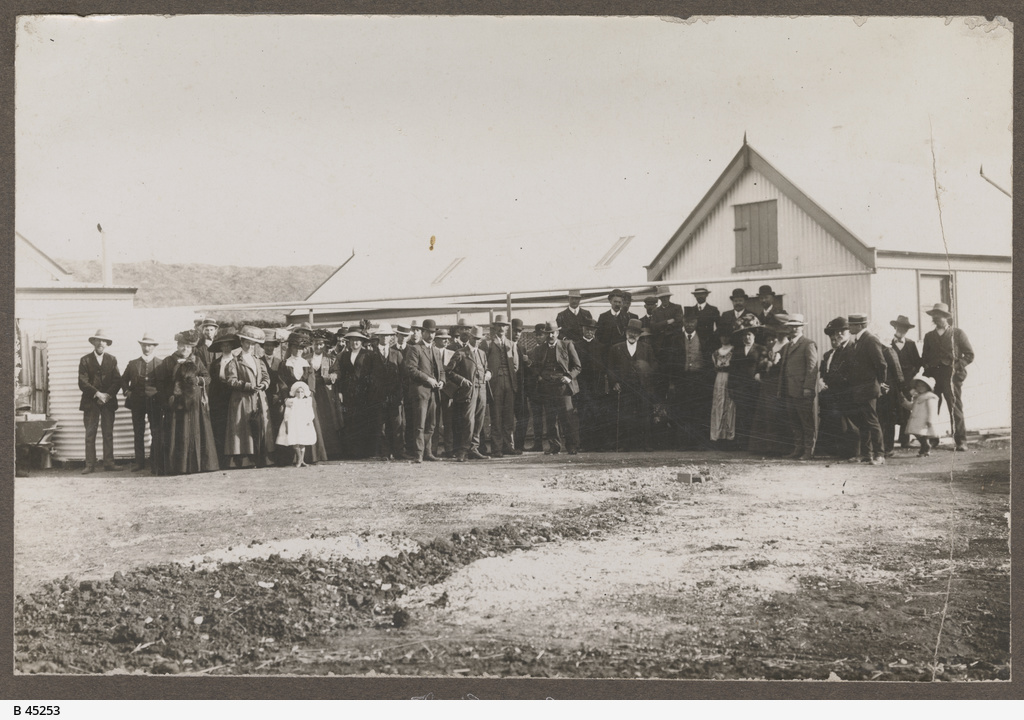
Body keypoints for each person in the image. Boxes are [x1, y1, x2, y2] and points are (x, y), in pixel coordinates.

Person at [156, 328, 219, 475]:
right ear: (177, 345)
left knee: (196, 431)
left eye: (189, 346)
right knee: (178, 432)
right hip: (177, 404)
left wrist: (197, 380)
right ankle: (178, 466)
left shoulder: (196, 360)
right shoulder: (168, 361)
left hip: (195, 405)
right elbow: (161, 382)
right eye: (183, 345)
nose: (185, 349)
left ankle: (199, 465)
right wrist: (169, 397)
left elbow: (208, 378)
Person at [920, 302, 974, 452]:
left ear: (946, 317)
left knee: (954, 408)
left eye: (940, 316)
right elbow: (924, 357)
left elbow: (969, 355)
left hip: (951, 378)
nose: (937, 318)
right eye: (935, 316)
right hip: (933, 377)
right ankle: (932, 439)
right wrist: (928, 368)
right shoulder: (929, 336)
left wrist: (956, 367)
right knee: (931, 408)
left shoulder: (958, 334)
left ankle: (961, 441)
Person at [224, 325, 273, 468]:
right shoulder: (234, 362)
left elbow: (266, 376)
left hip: (259, 398)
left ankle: (262, 458)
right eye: (247, 343)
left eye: (253, 344)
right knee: (243, 428)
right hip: (242, 400)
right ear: (242, 342)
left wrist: (263, 385)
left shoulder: (258, 360)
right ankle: (245, 460)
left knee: (261, 426)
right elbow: (231, 380)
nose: (250, 346)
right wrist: (247, 386)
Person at [530, 322, 582, 454]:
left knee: (567, 416)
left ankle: (571, 446)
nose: (551, 335)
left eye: (553, 333)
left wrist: (569, 377)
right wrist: (539, 376)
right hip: (547, 387)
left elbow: (577, 366)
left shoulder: (567, 345)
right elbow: (535, 367)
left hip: (563, 386)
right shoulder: (540, 349)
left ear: (558, 333)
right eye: (548, 333)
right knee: (550, 418)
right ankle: (554, 446)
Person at [844, 313, 888, 465]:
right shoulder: (857, 340)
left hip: (868, 388)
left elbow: (881, 364)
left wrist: (881, 384)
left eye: (851, 325)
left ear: (860, 326)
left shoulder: (870, 339)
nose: (849, 327)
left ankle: (879, 455)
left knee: (871, 421)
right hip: (859, 389)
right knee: (863, 422)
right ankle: (866, 454)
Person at [607, 318, 656, 452]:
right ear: (626, 332)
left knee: (645, 415)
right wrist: (614, 382)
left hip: (642, 387)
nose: (632, 335)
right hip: (624, 387)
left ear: (639, 335)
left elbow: (654, 366)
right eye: (630, 331)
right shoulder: (616, 348)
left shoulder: (646, 348)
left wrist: (646, 371)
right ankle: (626, 445)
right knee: (626, 416)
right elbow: (610, 368)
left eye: (636, 332)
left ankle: (646, 444)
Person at [279, 333, 328, 465]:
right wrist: (287, 398)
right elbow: (282, 382)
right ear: (290, 348)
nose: (298, 351)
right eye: (295, 348)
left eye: (301, 348)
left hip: (305, 399)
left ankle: (310, 457)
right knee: (292, 426)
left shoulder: (307, 363)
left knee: (307, 424)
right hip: (292, 400)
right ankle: (294, 458)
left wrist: (307, 396)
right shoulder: (285, 364)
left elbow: (311, 381)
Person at [78, 329, 122, 474]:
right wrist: (97, 394)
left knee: (107, 433)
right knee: (90, 434)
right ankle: (90, 465)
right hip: (90, 402)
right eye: (98, 340)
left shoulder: (112, 359)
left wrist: (108, 395)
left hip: (108, 402)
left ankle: (109, 463)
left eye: (104, 341)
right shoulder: (85, 360)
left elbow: (117, 380)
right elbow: (82, 382)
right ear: (94, 342)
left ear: (107, 344)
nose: (101, 343)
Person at [403, 319, 446, 463]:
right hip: (421, 391)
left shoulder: (435, 350)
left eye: (433, 333)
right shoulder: (415, 348)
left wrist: (441, 381)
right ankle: (419, 454)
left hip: (434, 392)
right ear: (423, 332)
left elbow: (442, 370)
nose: (432, 335)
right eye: (429, 332)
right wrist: (428, 379)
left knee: (431, 424)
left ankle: (428, 452)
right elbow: (411, 369)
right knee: (420, 424)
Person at [747, 315, 791, 456]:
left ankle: (781, 448)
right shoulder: (771, 345)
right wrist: (760, 371)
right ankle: (766, 447)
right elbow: (762, 362)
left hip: (781, 384)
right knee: (766, 414)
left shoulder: (789, 345)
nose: (779, 333)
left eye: (781, 331)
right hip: (768, 384)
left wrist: (777, 363)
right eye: (777, 331)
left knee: (779, 414)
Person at [777, 313, 818, 460]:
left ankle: (808, 451)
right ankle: (798, 449)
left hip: (802, 390)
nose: (793, 329)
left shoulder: (808, 344)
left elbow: (812, 368)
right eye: (791, 327)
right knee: (794, 421)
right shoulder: (787, 346)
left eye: (796, 327)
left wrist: (808, 387)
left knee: (806, 422)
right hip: (789, 389)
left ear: (802, 328)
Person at [445, 324, 490, 461]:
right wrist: (462, 380)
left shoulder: (482, 353)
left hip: (481, 389)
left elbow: (486, 369)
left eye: (479, 339)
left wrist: (489, 373)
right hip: (468, 391)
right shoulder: (461, 353)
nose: (477, 341)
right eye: (475, 338)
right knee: (468, 421)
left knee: (479, 420)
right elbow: (449, 371)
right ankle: (463, 451)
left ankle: (474, 448)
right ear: (470, 337)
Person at [335, 329, 380, 459]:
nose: (355, 342)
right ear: (348, 342)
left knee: (363, 420)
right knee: (350, 421)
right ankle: (352, 451)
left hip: (364, 393)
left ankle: (365, 452)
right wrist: (340, 391)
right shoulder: (343, 355)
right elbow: (341, 375)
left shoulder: (369, 355)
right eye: (352, 340)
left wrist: (371, 391)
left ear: (362, 341)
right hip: (349, 393)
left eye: (358, 340)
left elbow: (374, 374)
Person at [121, 332, 162, 473]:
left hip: (154, 402)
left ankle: (155, 462)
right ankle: (139, 463)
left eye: (150, 345)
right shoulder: (133, 364)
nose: (147, 348)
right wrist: (127, 392)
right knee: (138, 432)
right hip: (137, 402)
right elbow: (123, 380)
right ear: (141, 346)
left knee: (155, 431)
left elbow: (164, 383)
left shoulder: (160, 363)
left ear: (154, 347)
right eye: (144, 345)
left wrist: (160, 395)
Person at [481, 315, 519, 457]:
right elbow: (483, 361)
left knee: (508, 417)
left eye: (504, 326)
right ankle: (496, 448)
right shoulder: (488, 344)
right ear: (495, 327)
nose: (501, 328)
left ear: (507, 327)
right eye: (499, 325)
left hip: (509, 383)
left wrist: (508, 377)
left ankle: (508, 446)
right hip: (495, 383)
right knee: (496, 416)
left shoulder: (511, 344)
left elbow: (515, 365)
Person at [728, 315, 767, 450]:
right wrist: (731, 387)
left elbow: (763, 368)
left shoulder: (761, 349)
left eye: (749, 335)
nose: (747, 338)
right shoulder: (737, 351)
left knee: (754, 414)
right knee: (741, 414)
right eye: (745, 335)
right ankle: (742, 443)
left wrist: (759, 375)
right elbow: (732, 370)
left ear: (754, 335)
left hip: (754, 387)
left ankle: (754, 444)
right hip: (740, 388)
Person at [308, 328, 344, 460]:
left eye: (321, 344)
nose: (318, 346)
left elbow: (337, 373)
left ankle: (330, 452)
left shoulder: (330, 359)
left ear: (325, 345)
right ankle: (315, 452)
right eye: (316, 343)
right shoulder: (306, 359)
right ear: (312, 344)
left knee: (327, 420)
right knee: (314, 419)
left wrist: (328, 377)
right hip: (311, 392)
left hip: (326, 393)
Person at [372, 322, 406, 460]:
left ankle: (398, 451)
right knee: (381, 424)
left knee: (397, 424)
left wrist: (400, 394)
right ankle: (384, 452)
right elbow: (367, 376)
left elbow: (403, 375)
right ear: (378, 336)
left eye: (387, 335)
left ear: (391, 337)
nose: (385, 338)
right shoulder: (371, 354)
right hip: (378, 396)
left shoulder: (396, 354)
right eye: (382, 335)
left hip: (395, 396)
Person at [207, 328, 239, 469]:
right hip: (219, 398)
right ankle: (221, 460)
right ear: (220, 347)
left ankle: (234, 460)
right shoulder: (215, 364)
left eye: (228, 345)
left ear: (232, 346)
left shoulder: (238, 361)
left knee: (234, 426)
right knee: (220, 428)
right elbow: (212, 381)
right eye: (223, 345)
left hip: (233, 395)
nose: (226, 347)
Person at [574, 316, 607, 452]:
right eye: (587, 329)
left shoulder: (601, 347)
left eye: (592, 330)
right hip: (582, 384)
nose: (589, 332)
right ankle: (585, 444)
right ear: (583, 329)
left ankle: (598, 444)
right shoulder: (576, 346)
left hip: (597, 384)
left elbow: (605, 367)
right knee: (584, 414)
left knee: (597, 413)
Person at [889, 315, 922, 449]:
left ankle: (904, 440)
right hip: (892, 384)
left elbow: (918, 363)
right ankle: (888, 443)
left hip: (907, 383)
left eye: (905, 328)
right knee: (890, 411)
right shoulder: (887, 344)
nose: (902, 330)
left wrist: (910, 375)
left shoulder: (910, 344)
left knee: (906, 412)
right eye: (900, 327)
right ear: (895, 327)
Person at [278, 381, 317, 467]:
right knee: (295, 441)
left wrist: (308, 421)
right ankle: (299, 459)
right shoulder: (291, 401)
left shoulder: (307, 401)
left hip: (303, 423)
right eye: (298, 392)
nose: (300, 394)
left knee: (302, 441)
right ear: (294, 392)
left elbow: (310, 413)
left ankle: (302, 460)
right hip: (294, 423)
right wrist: (287, 425)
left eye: (302, 392)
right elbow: (286, 414)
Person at [709, 324, 736, 444]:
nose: (724, 338)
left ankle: (729, 436)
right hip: (719, 379)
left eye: (727, 336)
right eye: (722, 336)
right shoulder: (715, 353)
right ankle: (718, 435)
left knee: (730, 405)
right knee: (719, 404)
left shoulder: (734, 351)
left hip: (730, 379)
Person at [904, 376, 940, 456]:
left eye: (922, 386)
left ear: (927, 387)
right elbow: (912, 406)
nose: (920, 388)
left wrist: (930, 419)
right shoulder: (918, 397)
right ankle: (925, 446)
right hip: (917, 419)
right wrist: (904, 402)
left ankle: (925, 447)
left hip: (924, 419)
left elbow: (932, 409)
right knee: (917, 433)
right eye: (918, 386)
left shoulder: (930, 397)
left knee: (921, 433)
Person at [511, 319, 532, 452]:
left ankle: (518, 445)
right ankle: (505, 446)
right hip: (507, 389)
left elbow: (526, 371)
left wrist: (528, 362)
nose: (517, 334)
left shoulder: (522, 348)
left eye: (519, 331)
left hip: (520, 390)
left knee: (524, 416)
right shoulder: (503, 346)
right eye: (515, 331)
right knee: (506, 418)